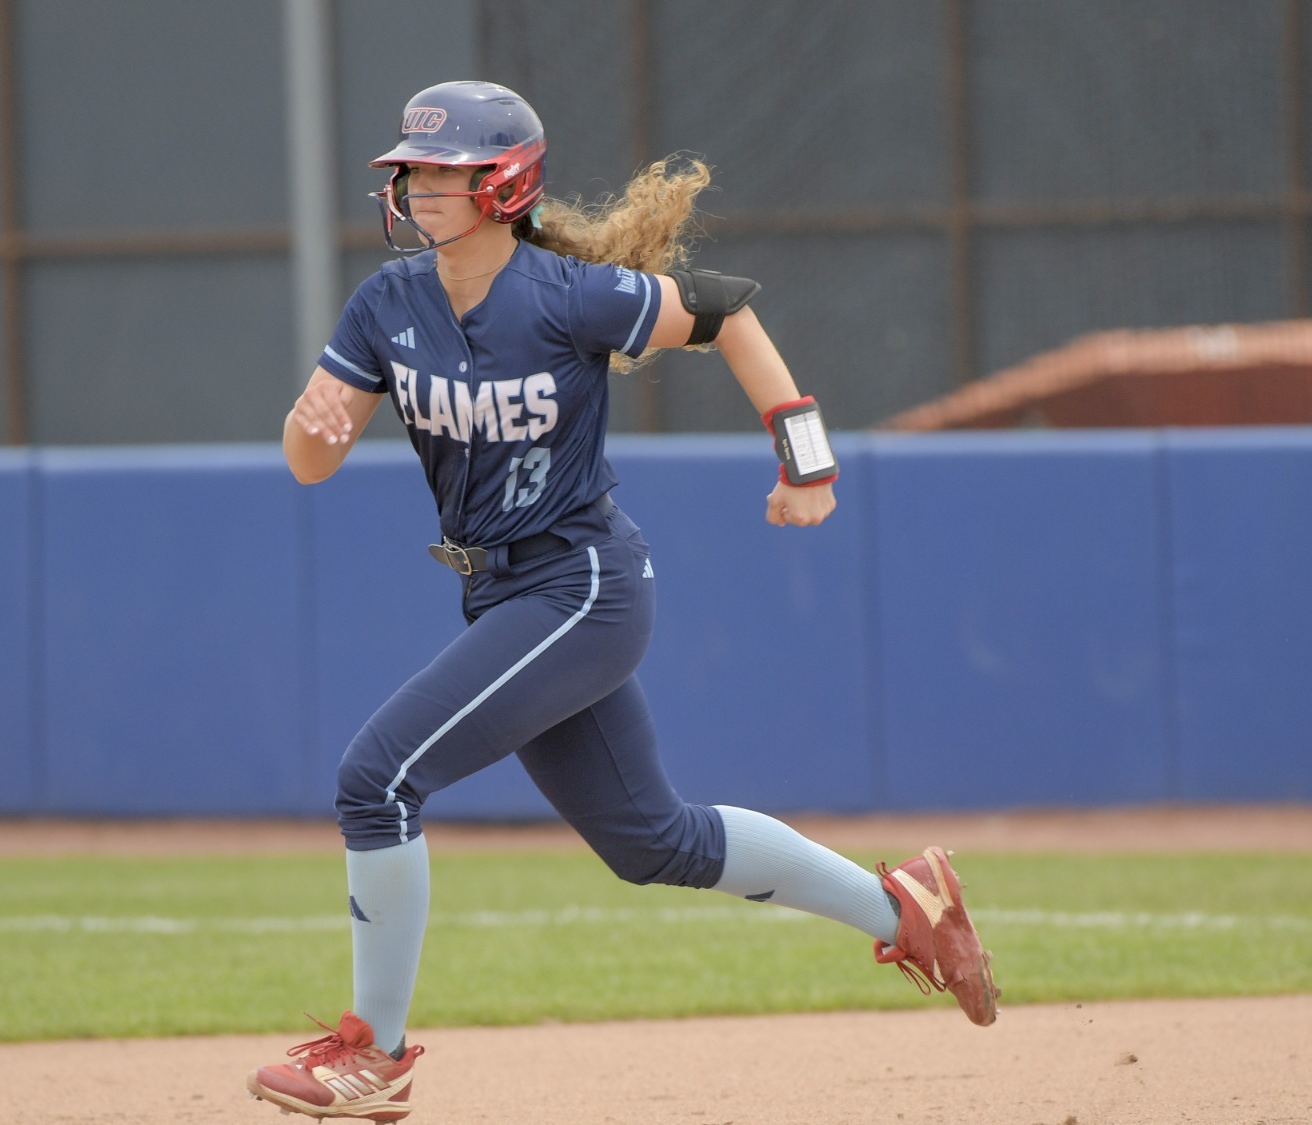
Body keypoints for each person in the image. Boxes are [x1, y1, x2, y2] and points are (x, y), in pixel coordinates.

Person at [246, 80, 998, 1122]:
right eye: (412, 169)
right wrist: (315, 423)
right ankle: (902, 906)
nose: (419, 187)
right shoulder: (386, 305)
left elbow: (729, 311)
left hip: (579, 584)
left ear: (502, 184)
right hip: (502, 593)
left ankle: (375, 1054)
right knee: (654, 844)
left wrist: (805, 460)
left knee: (375, 782)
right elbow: (307, 466)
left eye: (445, 170)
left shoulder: (566, 296)